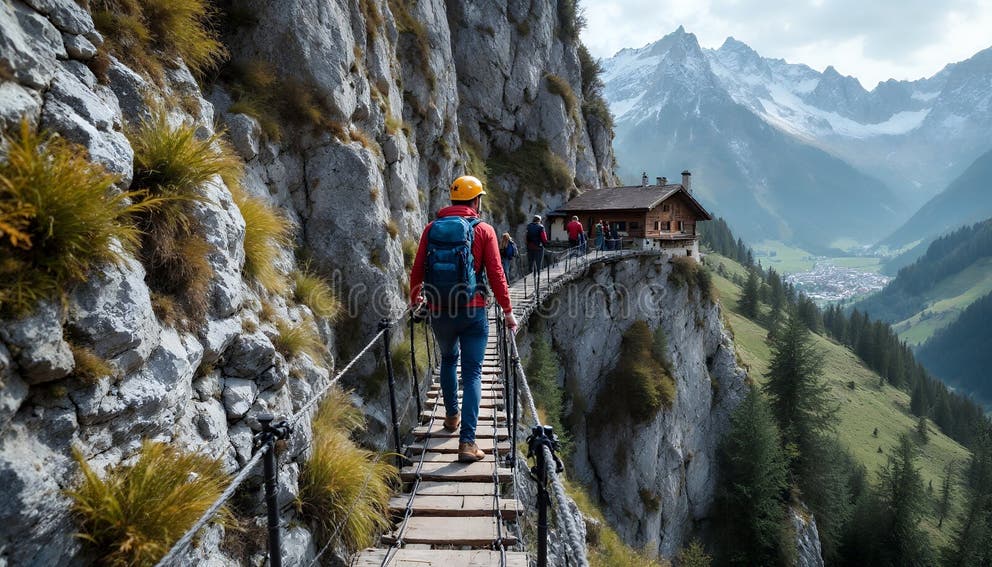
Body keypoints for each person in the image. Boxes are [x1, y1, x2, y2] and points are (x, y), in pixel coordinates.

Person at [409, 175, 518, 462]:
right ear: (476, 200)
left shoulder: (431, 229)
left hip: (439, 309)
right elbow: (496, 274)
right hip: (473, 310)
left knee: (447, 360)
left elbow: (418, 269)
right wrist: (507, 312)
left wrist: (415, 300)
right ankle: (467, 443)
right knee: (472, 373)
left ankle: (451, 416)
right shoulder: (484, 230)